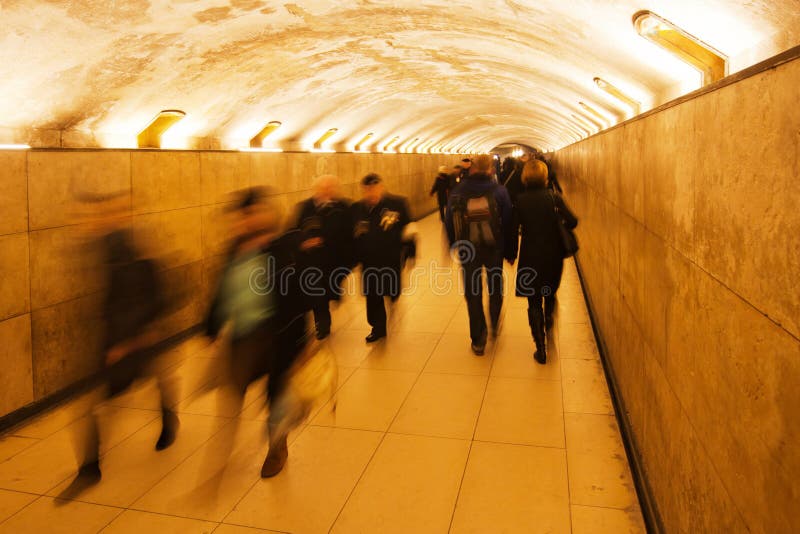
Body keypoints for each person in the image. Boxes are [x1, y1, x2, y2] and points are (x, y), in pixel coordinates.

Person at [60, 192, 178, 500]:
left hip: (132, 339)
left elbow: (155, 297)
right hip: (112, 339)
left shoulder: (136, 252)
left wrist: (128, 340)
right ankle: (90, 467)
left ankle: (167, 418)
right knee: (98, 401)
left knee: (144, 381)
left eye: (116, 212)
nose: (105, 218)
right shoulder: (100, 247)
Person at [205, 187, 311, 478]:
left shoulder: (283, 249)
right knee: (232, 394)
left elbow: (301, 297)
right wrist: (212, 327)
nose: (248, 220)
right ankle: (221, 455)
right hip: (243, 336)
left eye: (254, 213)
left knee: (277, 396)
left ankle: (277, 445)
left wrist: (304, 341)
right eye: (243, 215)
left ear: (267, 214)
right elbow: (223, 290)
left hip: (278, 336)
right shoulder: (234, 250)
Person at [446, 154, 515, 355]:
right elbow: (509, 222)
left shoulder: (458, 191)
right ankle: (494, 322)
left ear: (472, 169)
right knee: (495, 287)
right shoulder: (500, 191)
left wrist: (453, 245)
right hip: (494, 248)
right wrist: (510, 251)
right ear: (492, 170)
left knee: (473, 293)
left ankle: (478, 338)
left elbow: (450, 220)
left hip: (468, 250)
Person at [511, 159, 578, 364]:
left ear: (525, 177)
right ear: (544, 176)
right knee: (549, 293)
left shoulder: (520, 201)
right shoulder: (554, 197)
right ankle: (548, 323)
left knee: (533, 300)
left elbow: (514, 229)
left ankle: (540, 348)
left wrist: (511, 253)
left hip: (530, 255)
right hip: (553, 254)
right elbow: (573, 221)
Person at [351, 173, 412, 343]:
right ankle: (377, 328)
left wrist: (411, 251)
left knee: (391, 290)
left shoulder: (397, 204)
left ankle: (393, 300)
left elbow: (409, 228)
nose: (371, 192)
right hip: (368, 262)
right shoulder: (357, 209)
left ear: (381, 187)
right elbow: (350, 236)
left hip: (390, 259)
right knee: (372, 296)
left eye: (374, 188)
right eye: (367, 189)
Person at [292, 175, 353, 340]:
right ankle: (322, 325)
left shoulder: (343, 207)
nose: (328, 191)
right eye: (324, 188)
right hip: (311, 261)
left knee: (327, 289)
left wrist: (324, 240)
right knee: (317, 294)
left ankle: (332, 300)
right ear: (317, 190)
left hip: (333, 260)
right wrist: (303, 242)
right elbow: (293, 230)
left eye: (331, 188)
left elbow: (348, 234)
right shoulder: (305, 207)